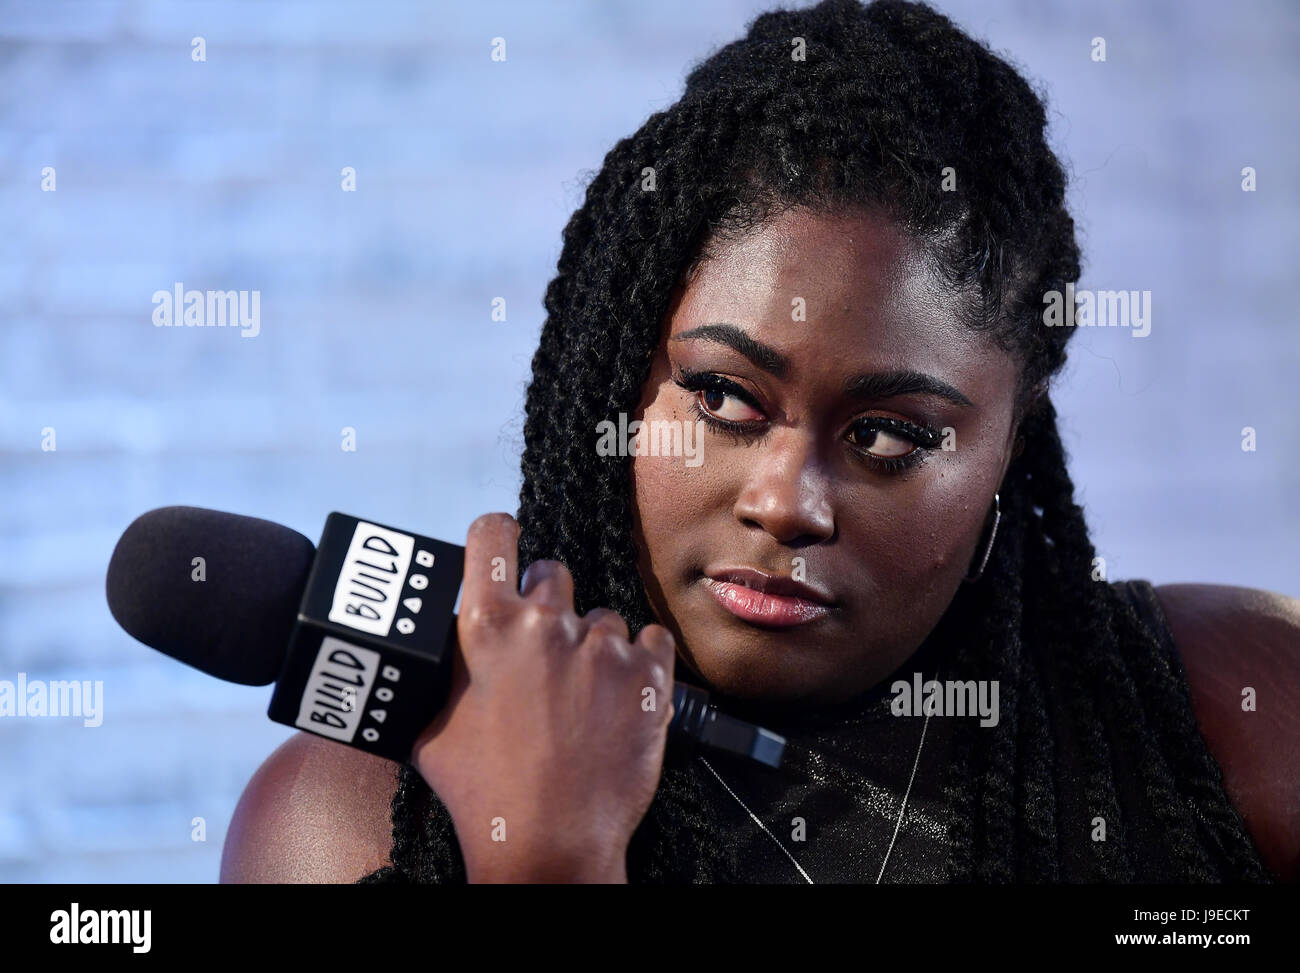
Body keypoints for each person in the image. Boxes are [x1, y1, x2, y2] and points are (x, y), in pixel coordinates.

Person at [220, 0, 1299, 884]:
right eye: (726, 397)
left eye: (889, 435)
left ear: (1010, 448)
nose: (787, 503)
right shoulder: (344, 829)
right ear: (622, 377)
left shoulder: (1235, 714)